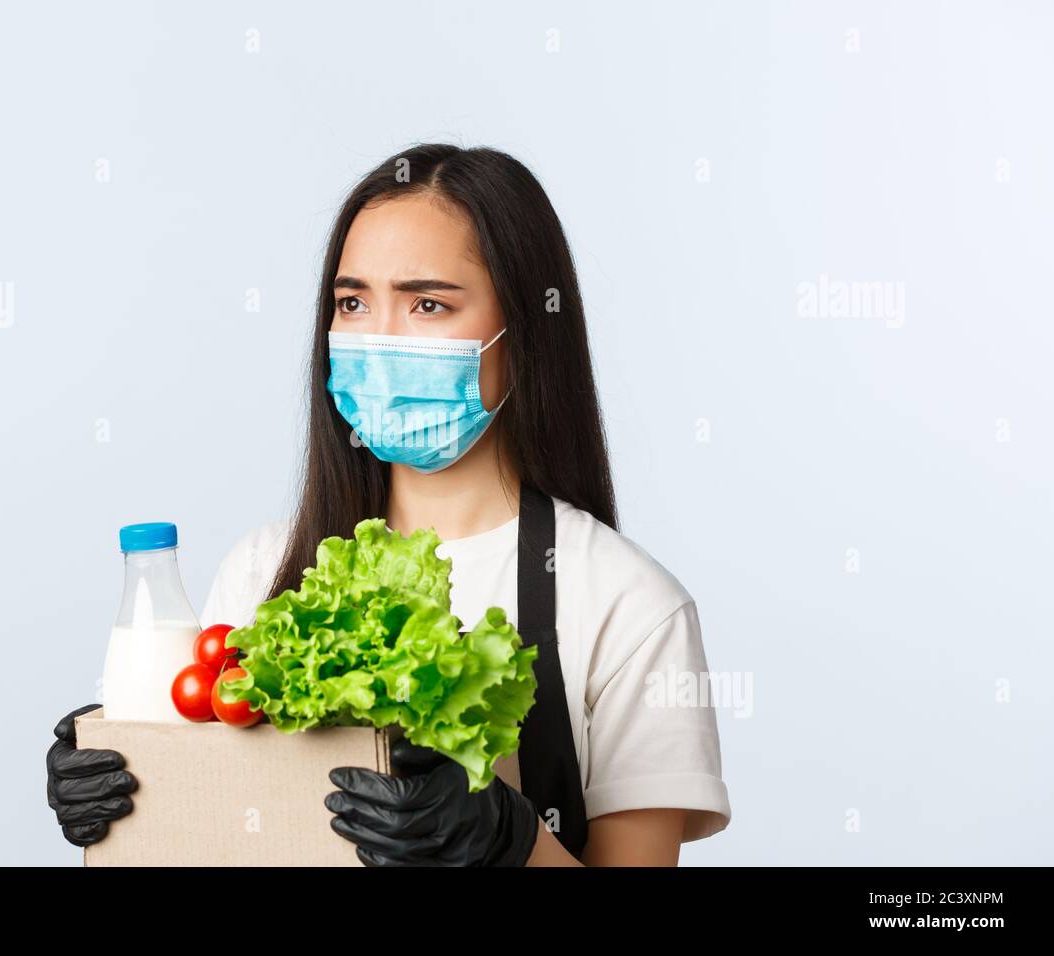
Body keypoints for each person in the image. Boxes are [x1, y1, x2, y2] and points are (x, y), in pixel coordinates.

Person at [47, 144, 731, 866]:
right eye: (352, 302)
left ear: (525, 327)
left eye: (428, 303)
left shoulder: (628, 605)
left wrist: (509, 838)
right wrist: (138, 790)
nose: (378, 340)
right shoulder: (259, 572)